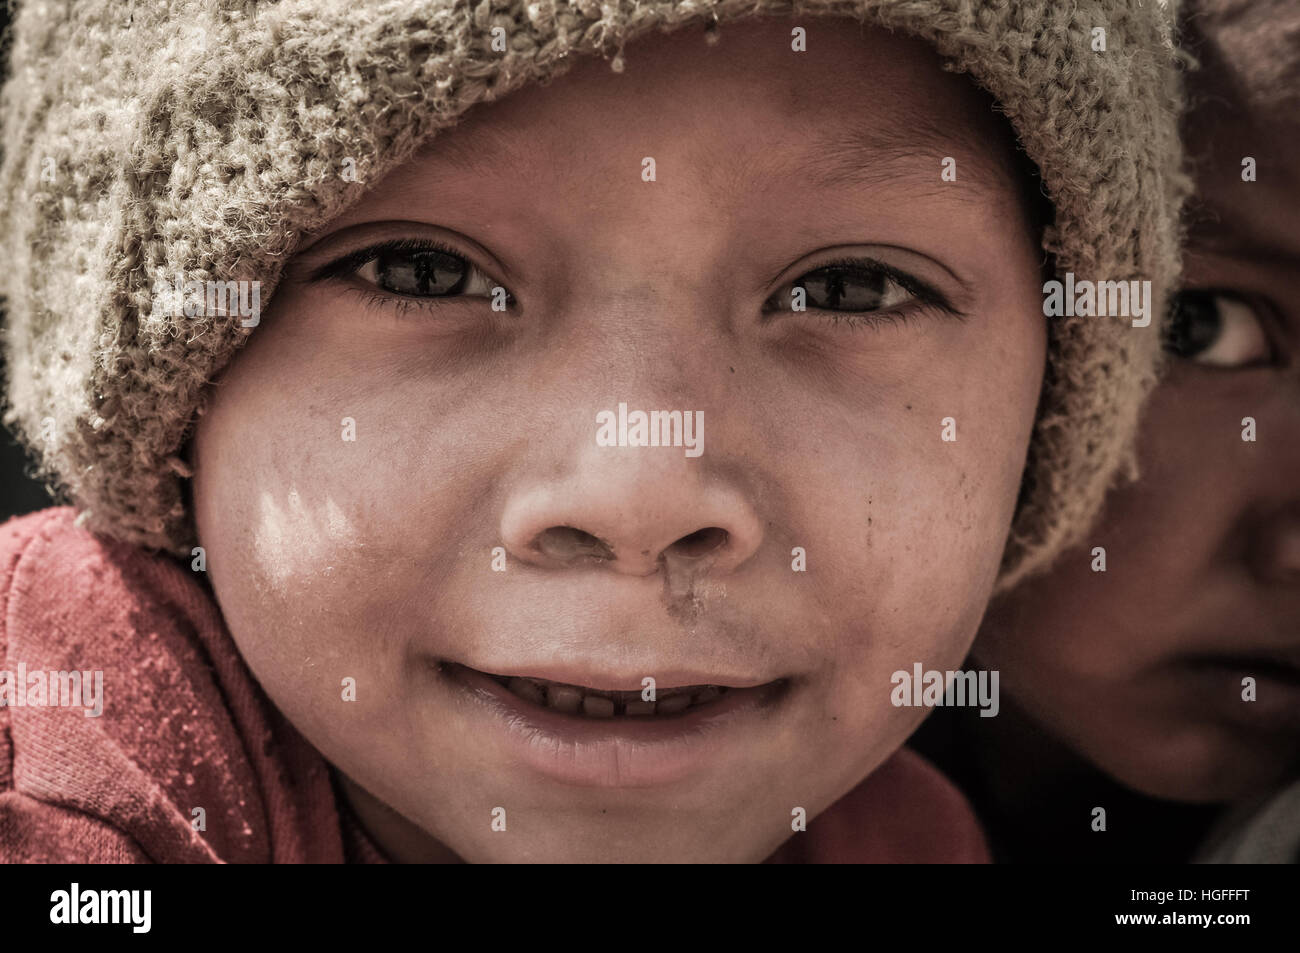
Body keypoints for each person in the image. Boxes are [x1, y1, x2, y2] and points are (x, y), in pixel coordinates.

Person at [0, 1, 1185, 862]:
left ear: (1047, 413)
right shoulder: (67, 761)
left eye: (850, 290)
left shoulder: (907, 835)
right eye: (423, 269)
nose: (640, 492)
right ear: (175, 396)